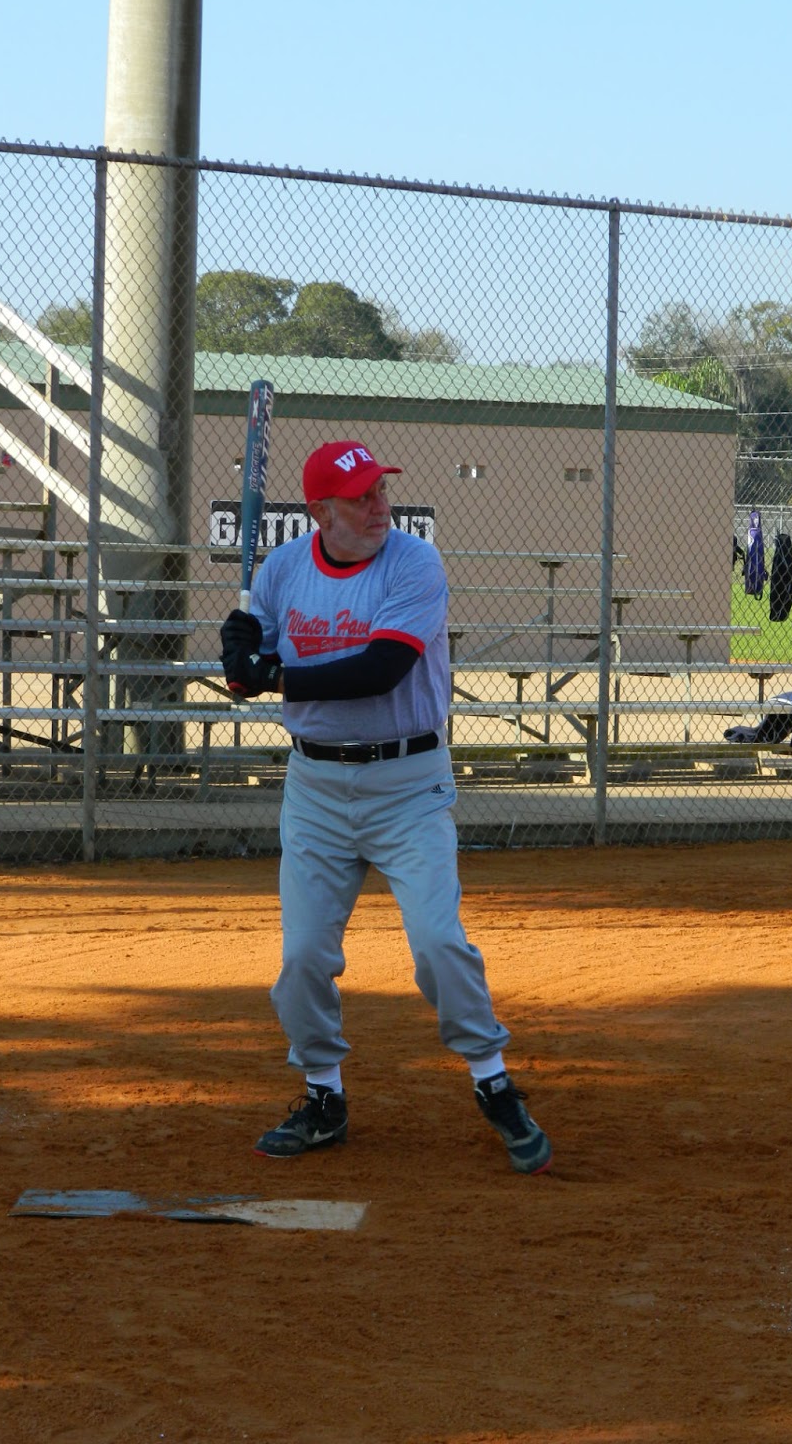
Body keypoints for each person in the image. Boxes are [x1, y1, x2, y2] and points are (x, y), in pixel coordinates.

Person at [220, 440, 552, 1175]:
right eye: (360, 496)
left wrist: (272, 671)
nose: (379, 506)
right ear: (320, 512)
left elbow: (381, 668)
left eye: (380, 491)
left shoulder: (413, 564)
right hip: (314, 791)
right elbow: (254, 676)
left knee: (437, 943)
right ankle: (322, 1096)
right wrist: (241, 657)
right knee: (303, 956)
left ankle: (492, 1081)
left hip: (408, 785)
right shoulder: (281, 571)